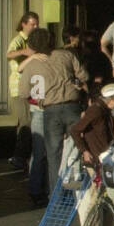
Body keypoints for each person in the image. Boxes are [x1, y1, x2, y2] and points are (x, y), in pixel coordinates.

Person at [20, 29, 88, 204]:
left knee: (53, 154)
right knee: (74, 150)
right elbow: (84, 76)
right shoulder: (66, 55)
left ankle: (56, 195)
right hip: (73, 107)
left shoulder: (32, 65)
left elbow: (24, 93)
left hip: (50, 110)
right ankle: (74, 193)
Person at [6, 11, 40, 170]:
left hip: (30, 86)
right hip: (19, 88)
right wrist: (24, 52)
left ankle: (21, 155)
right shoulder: (19, 40)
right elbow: (9, 54)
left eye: (37, 24)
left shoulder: (32, 40)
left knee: (25, 122)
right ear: (23, 24)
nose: (35, 27)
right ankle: (20, 156)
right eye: (32, 24)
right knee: (27, 121)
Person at [71, 83, 114, 164]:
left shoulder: (104, 110)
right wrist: (85, 151)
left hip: (104, 157)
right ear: (113, 99)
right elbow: (74, 130)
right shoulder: (96, 110)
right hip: (96, 158)